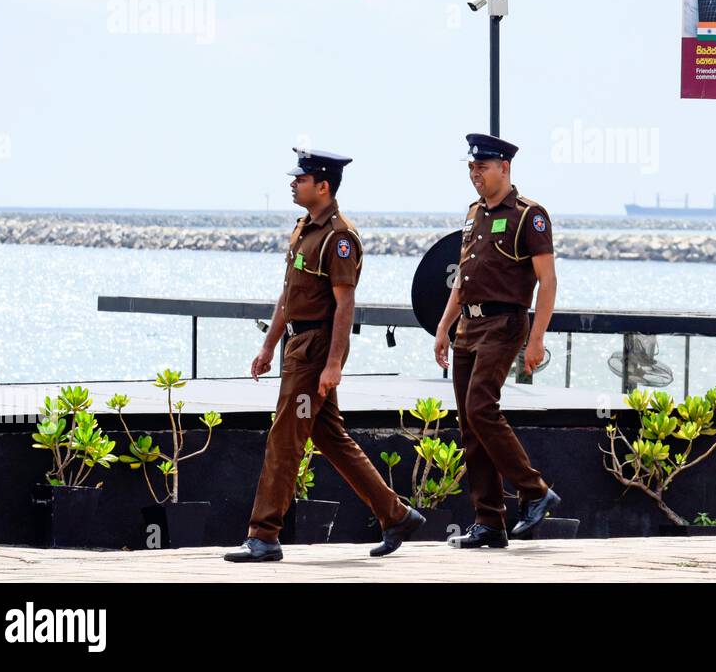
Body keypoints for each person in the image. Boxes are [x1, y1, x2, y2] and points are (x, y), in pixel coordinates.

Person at [224, 148, 423, 563]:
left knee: (284, 438)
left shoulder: (339, 238)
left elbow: (344, 306)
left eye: (301, 178)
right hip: (296, 347)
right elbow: (287, 295)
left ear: (323, 186)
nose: (293, 183)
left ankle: (263, 535)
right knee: (330, 437)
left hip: (315, 352)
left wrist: (334, 364)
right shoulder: (304, 229)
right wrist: (267, 346)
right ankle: (396, 514)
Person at [433, 133, 561, 548]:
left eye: (482, 168)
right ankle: (489, 522)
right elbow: (463, 279)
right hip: (467, 328)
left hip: (504, 324)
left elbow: (548, 281)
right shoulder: (473, 213)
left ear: (504, 168)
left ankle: (535, 490)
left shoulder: (530, 215)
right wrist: (443, 326)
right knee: (470, 424)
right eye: (471, 168)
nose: (475, 175)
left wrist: (536, 338)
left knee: (481, 408)